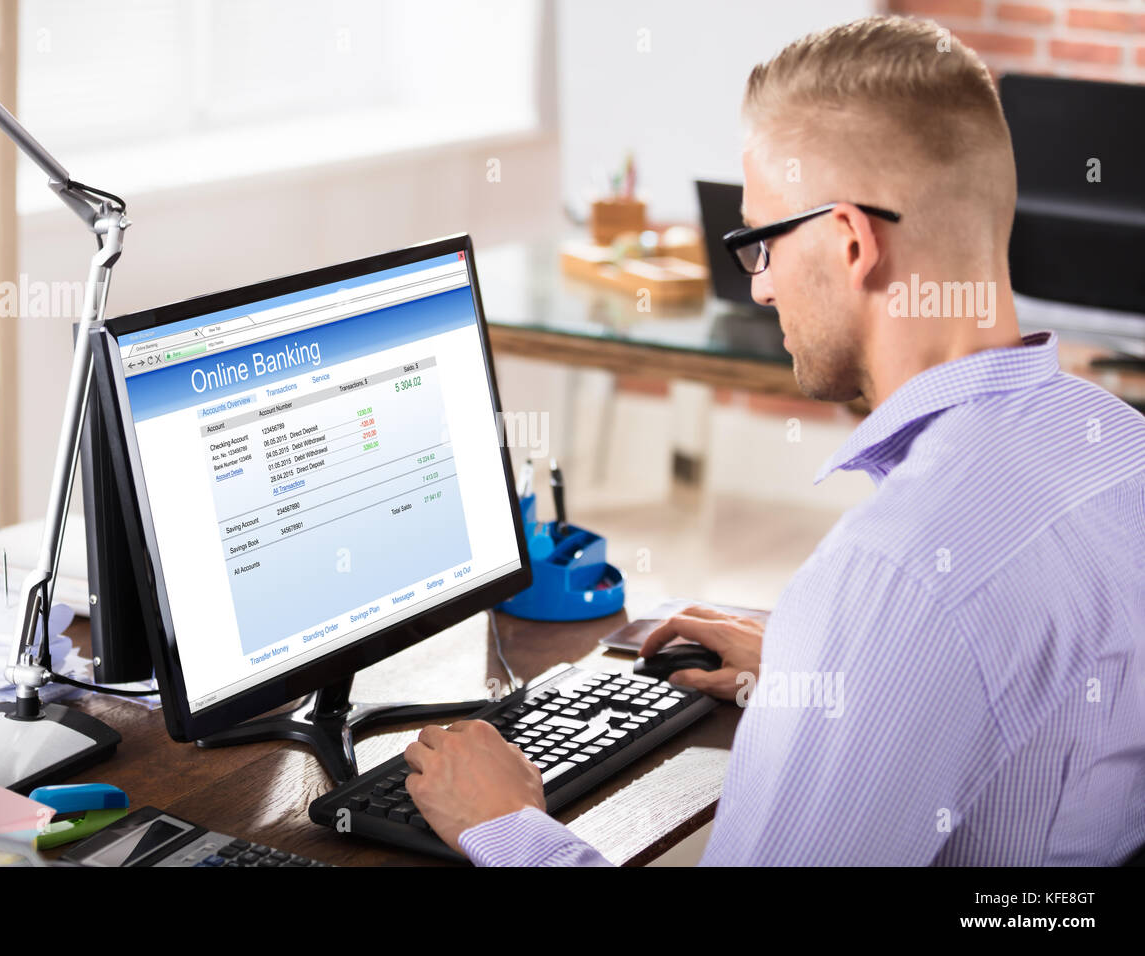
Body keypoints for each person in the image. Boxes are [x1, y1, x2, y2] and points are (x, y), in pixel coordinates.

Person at [400, 15, 1145, 866]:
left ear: (851, 242)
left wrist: (506, 826)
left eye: (759, 242)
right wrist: (823, 675)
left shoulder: (892, 576)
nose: (759, 290)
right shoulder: (1121, 449)